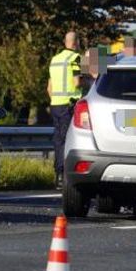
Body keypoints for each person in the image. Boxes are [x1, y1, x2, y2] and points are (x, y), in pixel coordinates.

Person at [47, 31, 81, 190]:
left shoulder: (54, 59)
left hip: (55, 104)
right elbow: (77, 82)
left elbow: (49, 88)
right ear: (76, 43)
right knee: (67, 140)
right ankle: (63, 175)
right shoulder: (76, 58)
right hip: (69, 104)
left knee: (58, 140)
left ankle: (58, 175)